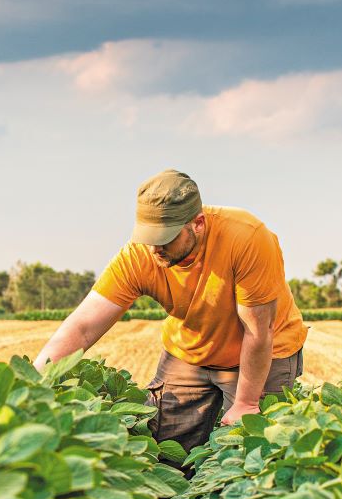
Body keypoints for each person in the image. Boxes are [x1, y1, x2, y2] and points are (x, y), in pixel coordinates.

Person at [32, 169, 307, 453]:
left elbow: (258, 330)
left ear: (197, 224)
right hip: (191, 351)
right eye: (148, 238)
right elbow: (82, 327)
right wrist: (31, 382)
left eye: (166, 238)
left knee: (253, 449)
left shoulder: (246, 237)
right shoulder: (139, 256)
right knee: (165, 450)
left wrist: (245, 403)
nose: (155, 249)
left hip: (263, 352)